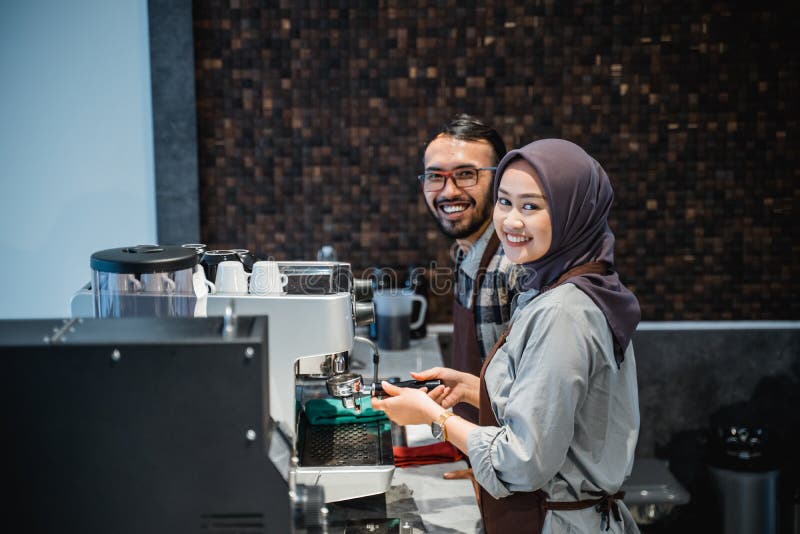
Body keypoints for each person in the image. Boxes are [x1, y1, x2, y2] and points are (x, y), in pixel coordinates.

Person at [374, 139, 642, 533]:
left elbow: (523, 462)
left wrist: (435, 417)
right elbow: (552, 405)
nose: (511, 221)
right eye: (505, 202)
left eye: (531, 206)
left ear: (573, 212)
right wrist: (472, 388)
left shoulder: (562, 312)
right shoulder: (560, 287)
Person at [419, 114, 517, 428]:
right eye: (435, 176)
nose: (448, 191)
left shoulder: (511, 267)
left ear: (500, 179)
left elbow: (530, 404)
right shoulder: (466, 254)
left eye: (466, 174)